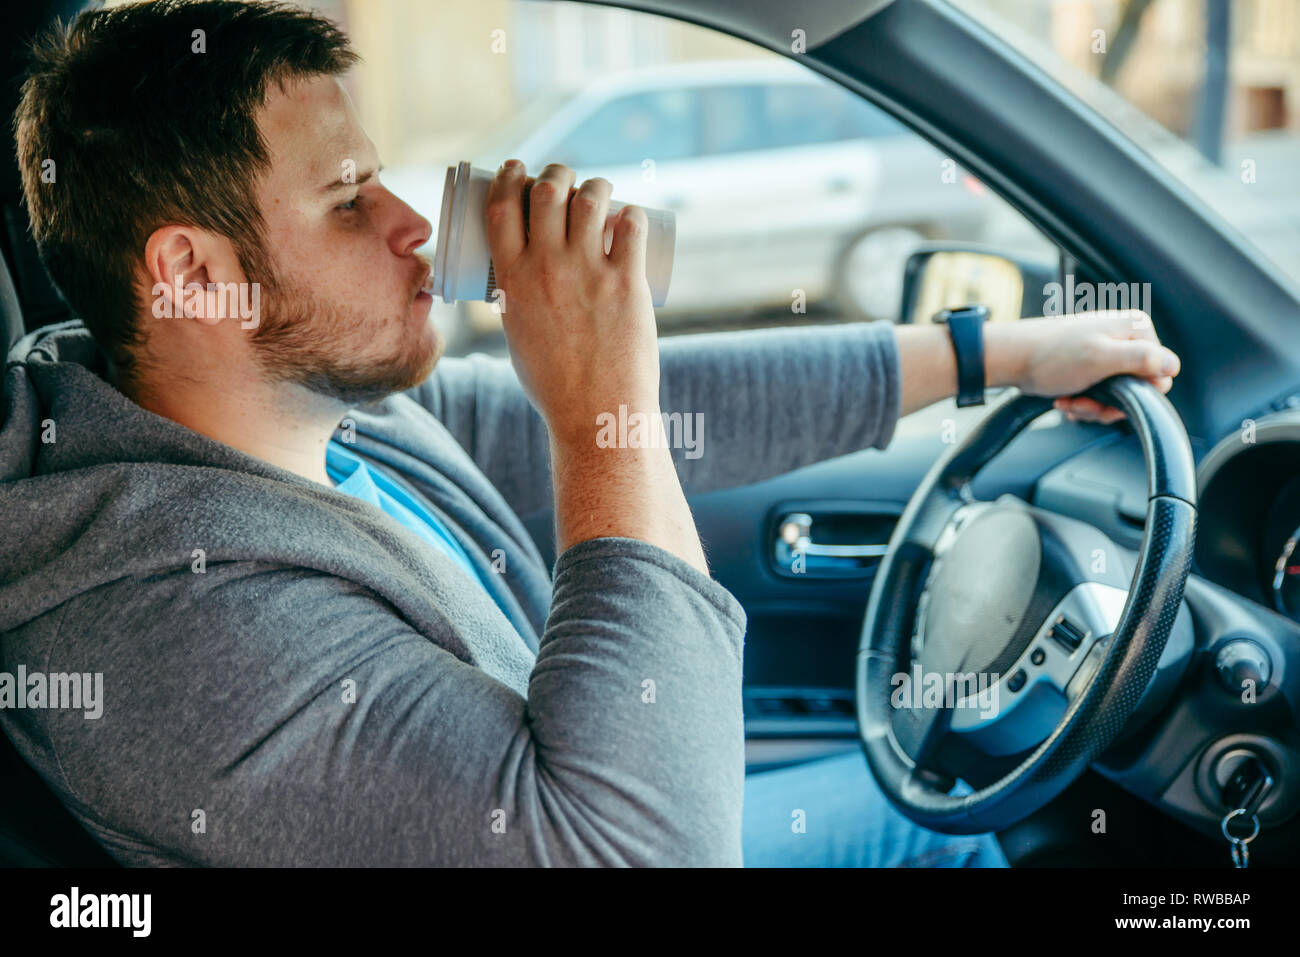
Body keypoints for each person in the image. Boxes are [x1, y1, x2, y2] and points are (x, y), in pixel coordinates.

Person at [0, 0, 1179, 867]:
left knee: (942, 817)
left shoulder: (324, 422)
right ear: (193, 272)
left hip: (576, 798)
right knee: (957, 844)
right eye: (348, 197)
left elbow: (687, 411)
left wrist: (993, 355)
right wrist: (596, 398)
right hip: (609, 829)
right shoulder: (184, 638)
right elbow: (640, 854)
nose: (413, 221)